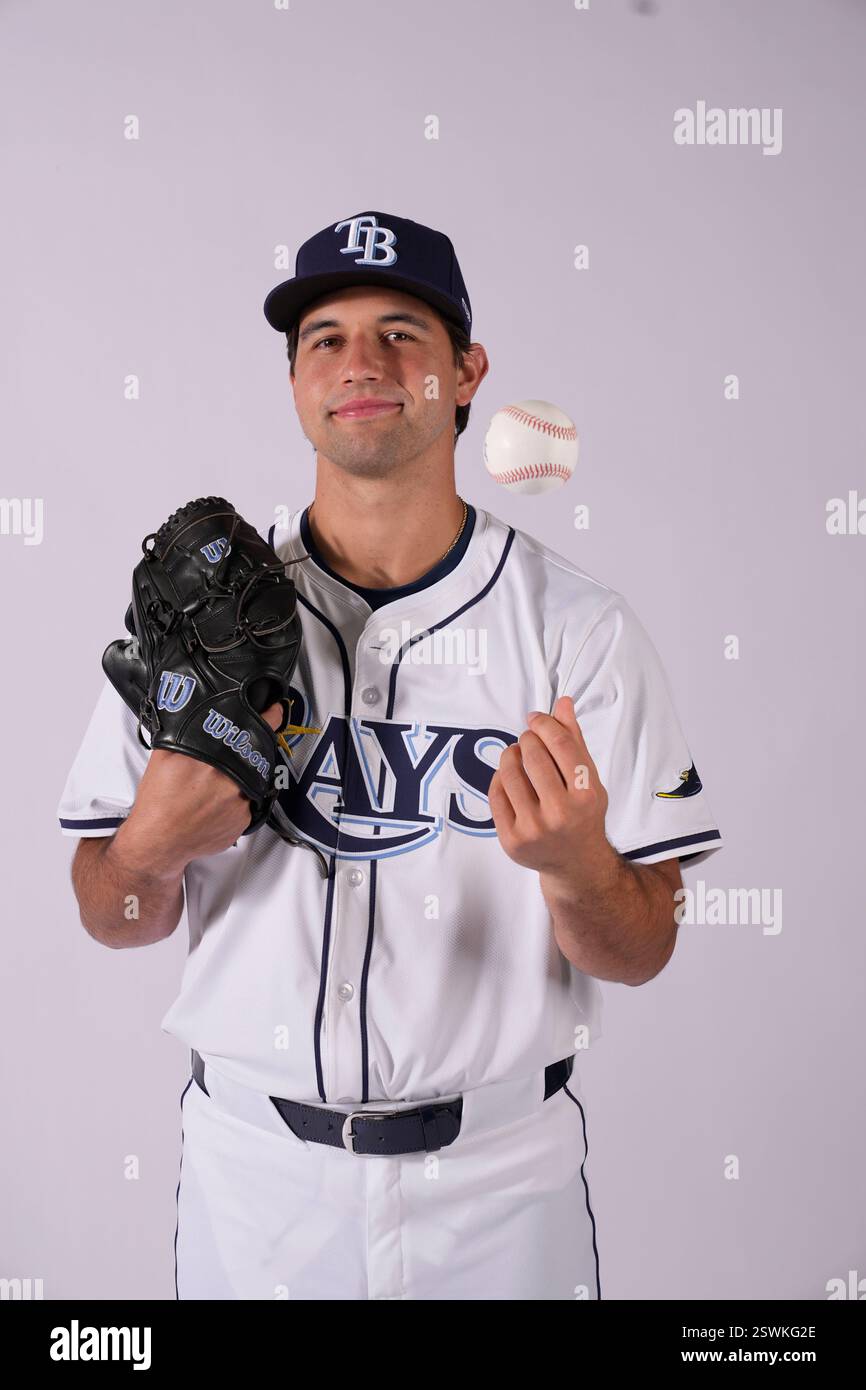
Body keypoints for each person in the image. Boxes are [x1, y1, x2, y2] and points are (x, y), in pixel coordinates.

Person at [58, 210, 723, 1300]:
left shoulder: (576, 630)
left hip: (500, 1186)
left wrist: (577, 868)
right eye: (324, 337)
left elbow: (640, 947)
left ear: (464, 374)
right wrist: (146, 852)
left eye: (400, 333)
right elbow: (107, 911)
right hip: (255, 1183)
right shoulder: (195, 621)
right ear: (294, 385)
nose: (360, 363)